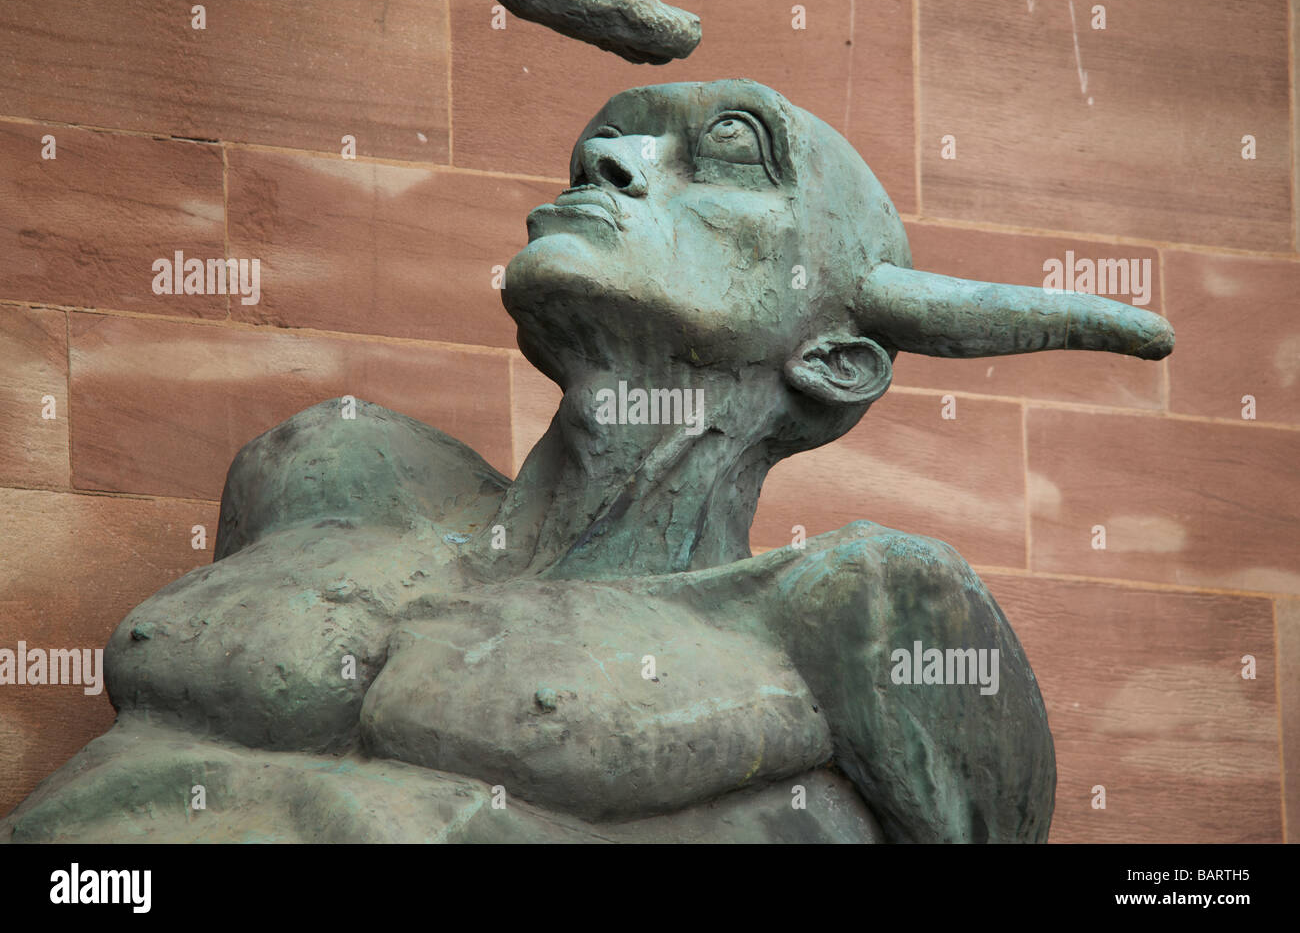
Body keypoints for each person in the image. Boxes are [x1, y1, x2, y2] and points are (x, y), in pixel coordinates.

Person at [2, 80, 1172, 844]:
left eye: (724, 154)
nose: (607, 158)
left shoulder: (862, 616)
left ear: (838, 357)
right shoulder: (329, 466)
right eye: (607, 137)